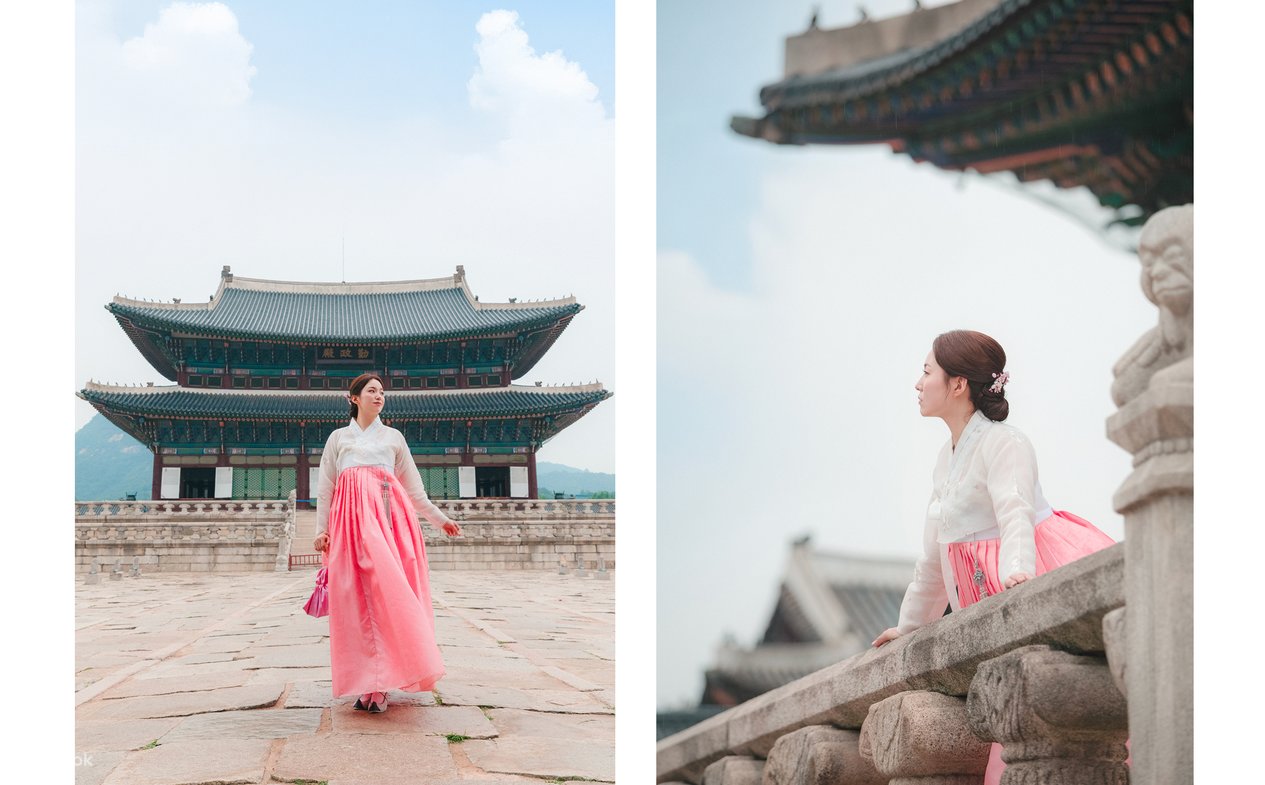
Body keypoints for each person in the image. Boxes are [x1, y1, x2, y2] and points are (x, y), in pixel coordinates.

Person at [871, 330, 1115, 783]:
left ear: (958, 384)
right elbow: (934, 559)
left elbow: (1015, 514)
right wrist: (909, 627)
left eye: (926, 373)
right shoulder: (945, 459)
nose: (917, 384)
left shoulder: (1006, 442)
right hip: (985, 594)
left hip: (1032, 569)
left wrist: (1019, 576)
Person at [312, 372, 462, 713]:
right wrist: (322, 530)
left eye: (382, 392)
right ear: (354, 398)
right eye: (371, 391)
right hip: (350, 527)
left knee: (387, 597)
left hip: (389, 524)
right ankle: (366, 682)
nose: (379, 396)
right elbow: (326, 488)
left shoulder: (393, 438)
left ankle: (382, 682)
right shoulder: (338, 439)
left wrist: (441, 520)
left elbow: (414, 490)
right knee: (355, 604)